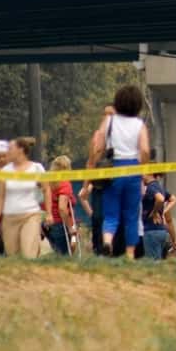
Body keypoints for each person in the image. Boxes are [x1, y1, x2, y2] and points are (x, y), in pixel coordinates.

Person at [89, 87, 150, 259]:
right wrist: (143, 168)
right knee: (131, 214)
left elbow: (99, 147)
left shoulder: (109, 122)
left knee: (110, 212)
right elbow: (145, 150)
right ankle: (130, 254)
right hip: (133, 169)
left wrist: (95, 164)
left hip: (113, 169)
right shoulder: (140, 125)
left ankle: (107, 241)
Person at [0, 137, 51, 259]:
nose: (7, 151)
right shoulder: (5, 171)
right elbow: (1, 197)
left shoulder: (36, 168)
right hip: (9, 218)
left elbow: (47, 190)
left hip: (30, 215)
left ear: (20, 150)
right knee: (13, 257)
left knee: (28, 254)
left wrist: (49, 214)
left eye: (10, 149)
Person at [79, 105, 117, 256]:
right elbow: (91, 162)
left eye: (111, 114)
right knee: (97, 217)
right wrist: (85, 186)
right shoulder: (97, 136)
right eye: (105, 114)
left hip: (116, 185)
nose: (107, 117)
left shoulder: (122, 137)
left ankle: (115, 249)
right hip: (99, 186)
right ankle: (99, 250)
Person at [44, 156, 78, 256]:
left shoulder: (47, 182)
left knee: (60, 251)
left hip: (48, 224)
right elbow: (62, 208)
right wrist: (70, 227)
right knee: (64, 255)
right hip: (61, 224)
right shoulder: (65, 184)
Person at [141, 173, 175, 260]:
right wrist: (163, 211)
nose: (141, 176)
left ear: (149, 173)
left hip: (151, 231)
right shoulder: (160, 187)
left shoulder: (150, 187)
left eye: (142, 173)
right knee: (158, 260)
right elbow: (173, 199)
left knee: (153, 264)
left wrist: (154, 212)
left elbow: (160, 199)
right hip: (162, 231)